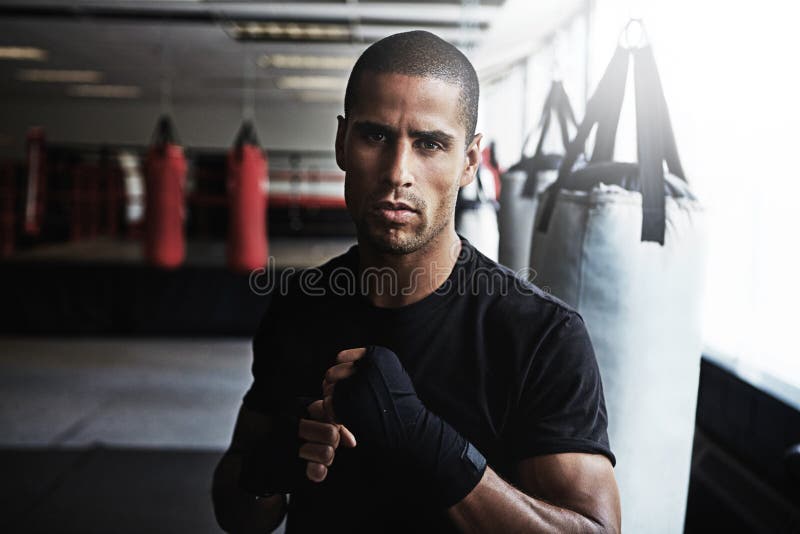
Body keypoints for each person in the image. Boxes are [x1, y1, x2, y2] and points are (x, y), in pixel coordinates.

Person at [212, 30, 620, 533]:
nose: (397, 171)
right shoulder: (301, 306)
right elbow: (236, 515)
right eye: (376, 136)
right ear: (342, 142)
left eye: (429, 143)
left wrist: (430, 444)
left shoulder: (538, 334)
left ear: (469, 161)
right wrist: (268, 468)